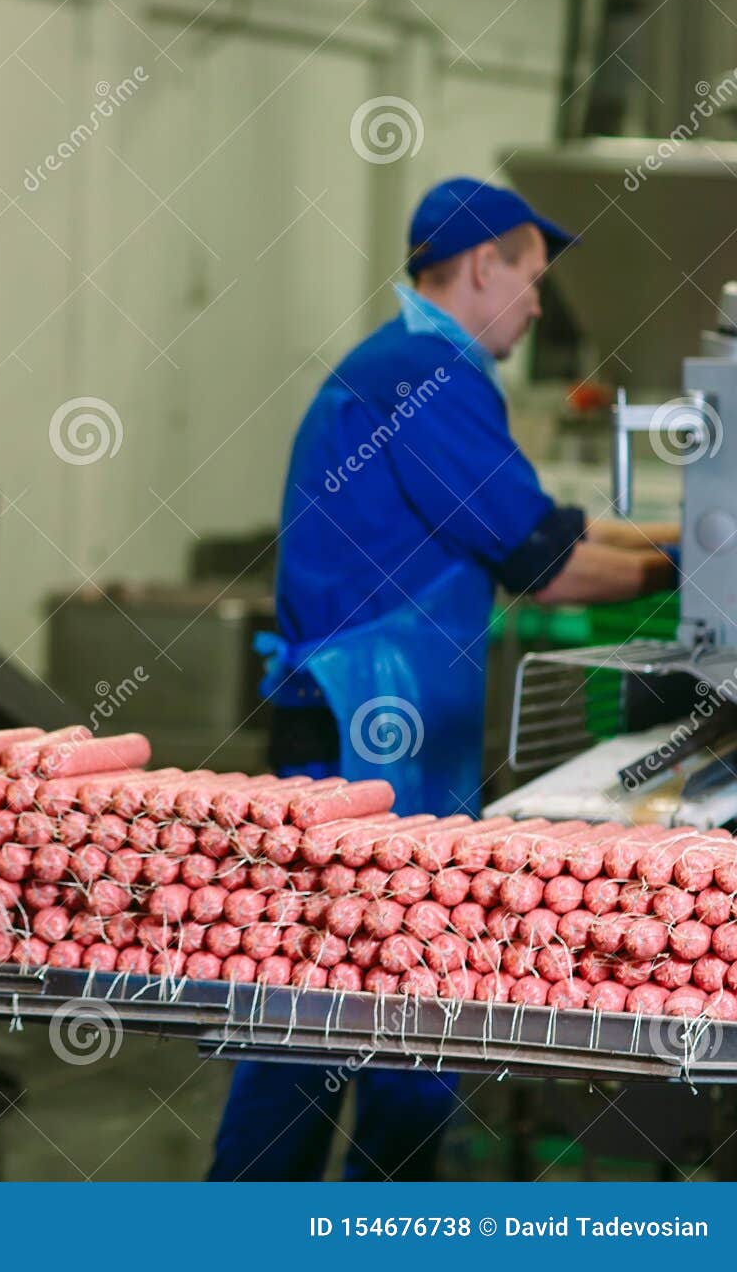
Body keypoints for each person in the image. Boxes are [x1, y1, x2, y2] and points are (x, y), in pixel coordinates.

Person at [206, 176, 677, 1182]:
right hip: (362, 737)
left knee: (357, 1009)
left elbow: (540, 528)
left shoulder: (406, 370)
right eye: (532, 278)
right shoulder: (424, 375)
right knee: (334, 1016)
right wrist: (684, 565)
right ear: (480, 267)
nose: (541, 304)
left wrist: (682, 536)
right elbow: (544, 560)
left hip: (375, 730)